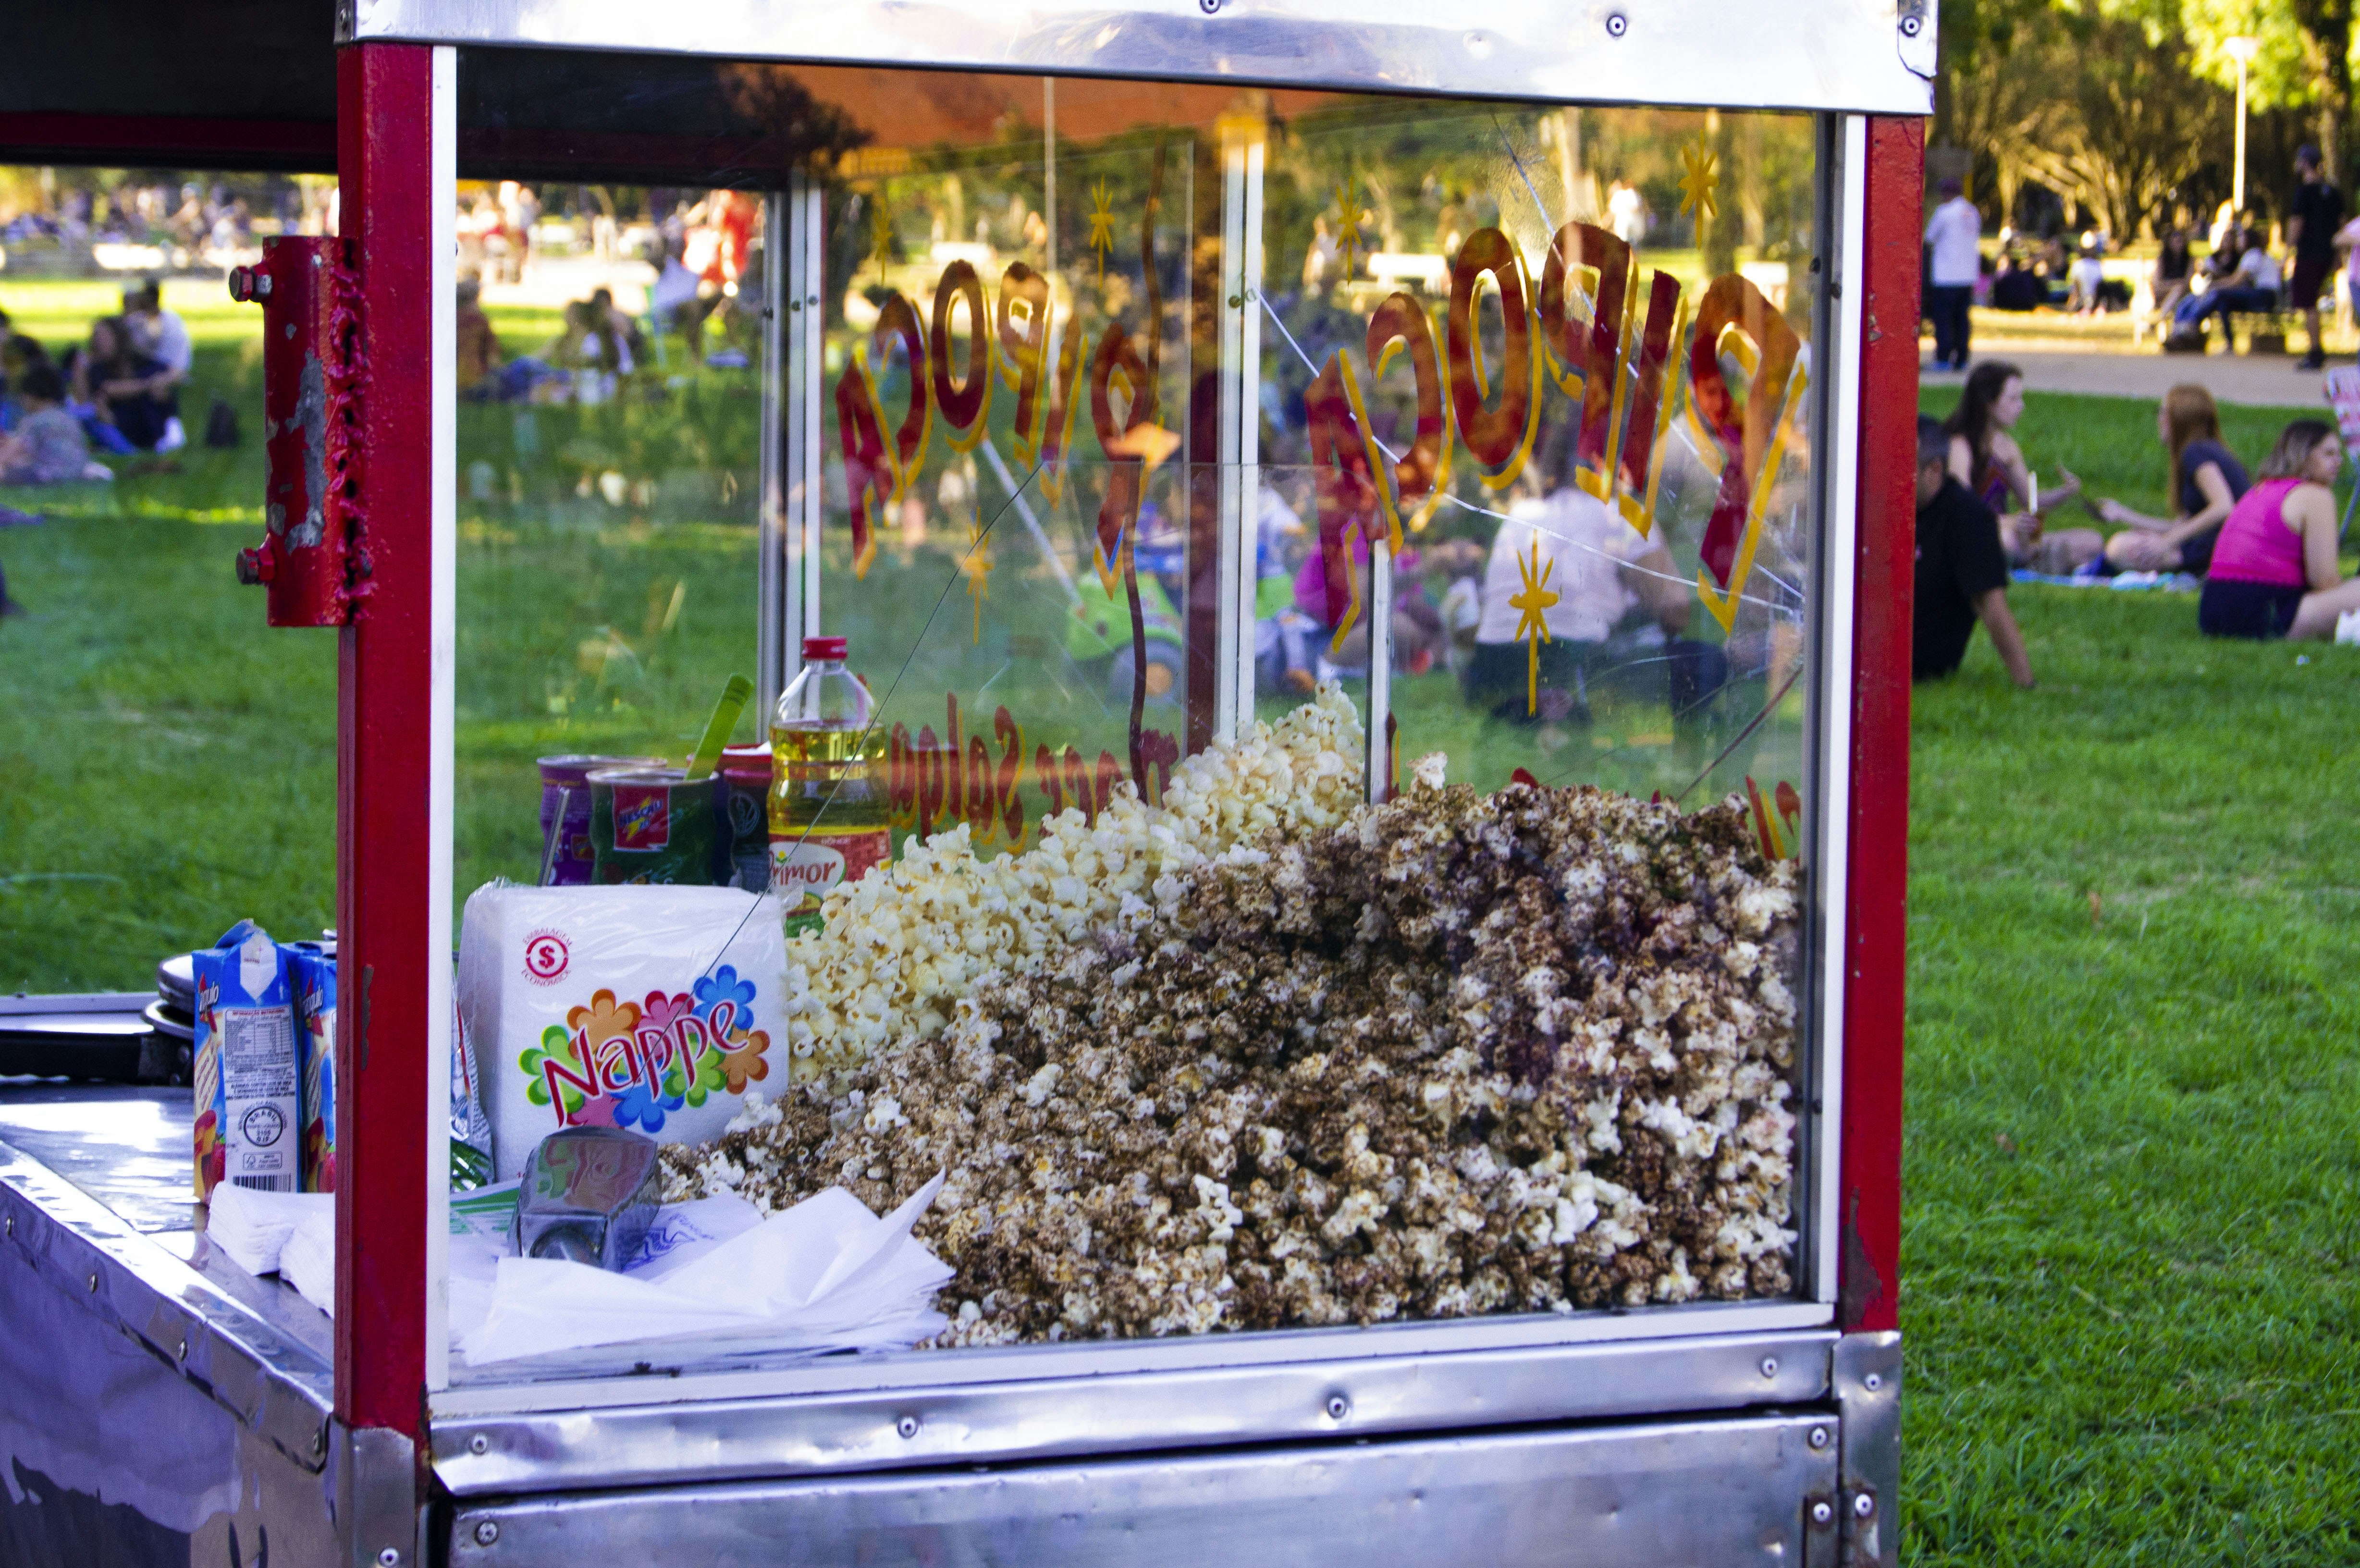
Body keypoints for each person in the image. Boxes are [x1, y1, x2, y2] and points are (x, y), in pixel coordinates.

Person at [2197, 419, 2360, 639]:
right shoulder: (2316, 495)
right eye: (2328, 454)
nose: (2339, 461)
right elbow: (2324, 581)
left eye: (2338, 454)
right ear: (2302, 455)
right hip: (2267, 612)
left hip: (2213, 611)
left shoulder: (2261, 489)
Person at [1942, 361, 2100, 571]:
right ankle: (2035, 561)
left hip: (2013, 536)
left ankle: (2031, 560)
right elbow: (1963, 511)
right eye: (2013, 399)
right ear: (1988, 403)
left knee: (2092, 541)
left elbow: (2031, 502)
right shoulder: (1960, 447)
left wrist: (2065, 492)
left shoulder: (2007, 446)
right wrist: (2008, 522)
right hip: (1973, 535)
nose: (2021, 406)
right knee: (2007, 541)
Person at [1914, 416, 2033, 686]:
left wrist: (2027, 684)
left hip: (1917, 661)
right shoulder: (1878, 503)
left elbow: (1991, 605)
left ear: (1934, 470)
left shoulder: (1968, 518)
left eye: (1903, 466)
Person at [2083, 384, 2248, 575]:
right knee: (2130, 542)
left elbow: (2223, 506)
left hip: (2225, 549)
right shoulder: (2204, 451)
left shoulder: (2196, 452)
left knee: (2120, 547)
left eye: (2163, 413)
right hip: (2215, 546)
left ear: (2180, 419)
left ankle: (2181, 563)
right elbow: (2182, 526)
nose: (2159, 419)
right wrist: (2123, 514)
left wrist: (2166, 542)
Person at [68, 317, 178, 453]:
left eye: (105, 336)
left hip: (141, 428)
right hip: (113, 424)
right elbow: (88, 399)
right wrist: (79, 373)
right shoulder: (96, 368)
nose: (99, 341)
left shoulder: (139, 362)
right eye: (97, 336)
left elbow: (175, 372)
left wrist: (157, 383)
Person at [2167, 225, 2281, 350]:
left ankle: (2191, 324)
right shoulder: (2255, 255)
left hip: (2264, 296)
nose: (2239, 241)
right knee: (2222, 302)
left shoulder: (2253, 255)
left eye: (2242, 237)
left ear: (2249, 239)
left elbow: (2235, 282)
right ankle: (2229, 343)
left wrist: (2213, 287)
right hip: (2263, 295)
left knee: (2218, 295)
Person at [2285, 145, 2343, 370]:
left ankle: (2315, 351)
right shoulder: (2334, 192)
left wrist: (2288, 251)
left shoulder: (2304, 192)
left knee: (2308, 303)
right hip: (2327, 254)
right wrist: (2338, 255)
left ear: (2305, 163)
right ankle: (2316, 348)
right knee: (2313, 302)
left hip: (2309, 254)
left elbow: (2297, 223)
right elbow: (2341, 225)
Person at [0, 362, 100, 485]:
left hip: (49, 476)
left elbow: (15, 449)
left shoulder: (35, 421)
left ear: (32, 394)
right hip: (77, 473)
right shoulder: (68, 418)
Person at [1923, 176, 1980, 370]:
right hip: (1967, 275)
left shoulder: (1944, 212)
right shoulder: (1972, 211)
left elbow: (1930, 237)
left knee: (1944, 319)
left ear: (1948, 193)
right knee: (1962, 320)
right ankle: (1962, 357)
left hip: (1946, 275)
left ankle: (1943, 358)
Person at [455, 274, 503, 399]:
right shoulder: (479, 322)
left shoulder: (446, 322)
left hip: (449, 384)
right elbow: (494, 359)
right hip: (475, 384)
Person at [2149, 229, 2195, 319]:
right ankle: (2161, 318)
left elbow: (2187, 282)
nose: (2180, 244)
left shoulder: (2189, 260)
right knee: (2178, 289)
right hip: (2162, 291)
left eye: (2182, 241)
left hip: (2182, 293)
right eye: (2177, 241)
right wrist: (2177, 284)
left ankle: (2160, 319)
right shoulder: (2163, 259)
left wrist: (2176, 285)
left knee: (2179, 291)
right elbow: (2158, 283)